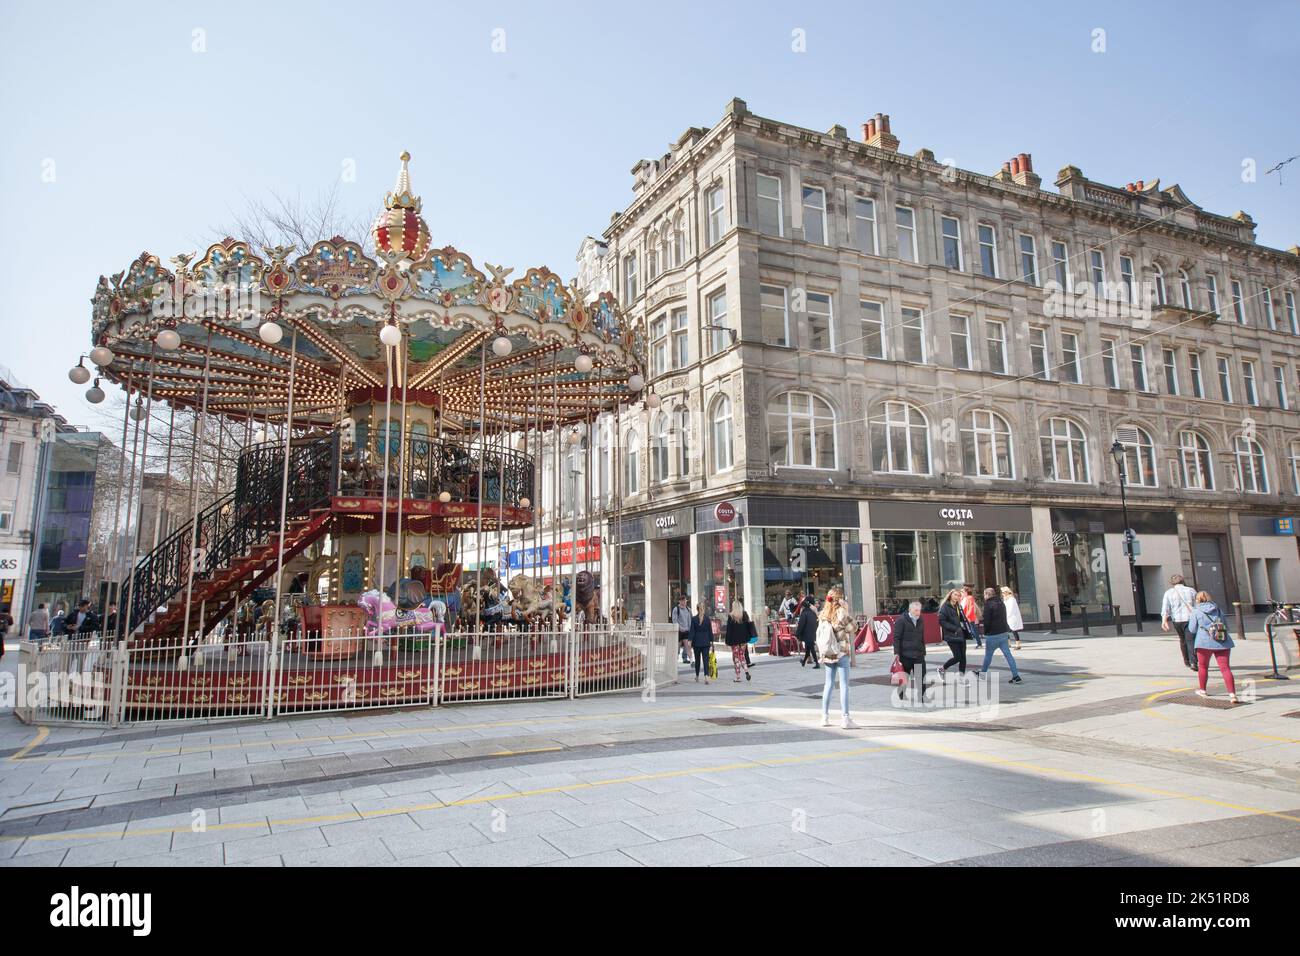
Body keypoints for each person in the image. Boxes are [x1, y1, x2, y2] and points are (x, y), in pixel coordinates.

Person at [816, 587, 859, 728]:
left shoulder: (823, 614)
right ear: (839, 599)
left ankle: (825, 717)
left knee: (828, 684)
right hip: (841, 652)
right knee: (844, 685)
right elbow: (853, 627)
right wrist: (846, 609)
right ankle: (845, 719)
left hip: (828, 653)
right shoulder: (841, 612)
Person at [1186, 590, 1237, 703]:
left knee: (1203, 667)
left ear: (1197, 600)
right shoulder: (1218, 609)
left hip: (1203, 642)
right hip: (1222, 641)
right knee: (1225, 668)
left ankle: (1203, 690)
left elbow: (1192, 629)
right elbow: (1226, 626)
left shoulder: (1196, 611)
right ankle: (1232, 694)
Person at [976, 587, 1021, 683]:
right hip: (1003, 633)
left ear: (987, 595)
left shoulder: (989, 604)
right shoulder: (1001, 603)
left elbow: (987, 620)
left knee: (988, 656)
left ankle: (982, 675)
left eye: (985, 595)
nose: (984, 597)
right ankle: (1016, 676)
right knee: (1008, 655)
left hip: (992, 634)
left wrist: (985, 632)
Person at [1160, 573, 1199, 673]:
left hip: (1177, 620)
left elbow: (1165, 608)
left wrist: (1164, 621)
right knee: (1191, 640)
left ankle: (1186, 661)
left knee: (1182, 639)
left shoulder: (1168, 593)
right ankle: (1194, 662)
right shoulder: (1191, 590)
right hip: (1190, 619)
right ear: (1182, 581)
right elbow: (1197, 605)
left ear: (1172, 583)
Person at [891, 600, 928, 700]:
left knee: (921, 676)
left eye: (919, 610)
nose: (918, 613)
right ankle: (901, 693)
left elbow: (921, 637)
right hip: (905, 654)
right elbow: (896, 637)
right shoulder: (901, 620)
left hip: (918, 654)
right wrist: (897, 653)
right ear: (910, 610)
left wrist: (923, 651)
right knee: (905, 677)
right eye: (916, 610)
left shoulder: (920, 620)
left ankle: (922, 695)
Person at [937, 588, 968, 678]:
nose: (957, 597)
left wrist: (966, 626)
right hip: (951, 635)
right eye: (955, 595)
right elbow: (942, 621)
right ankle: (942, 668)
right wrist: (955, 629)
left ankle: (961, 677)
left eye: (959, 595)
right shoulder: (945, 607)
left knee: (963, 658)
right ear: (950, 595)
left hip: (961, 635)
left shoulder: (958, 607)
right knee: (957, 657)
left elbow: (962, 619)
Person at [723, 601, 753, 682]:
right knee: (742, 656)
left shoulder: (731, 616)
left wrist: (727, 640)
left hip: (734, 641)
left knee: (736, 658)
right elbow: (748, 627)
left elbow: (729, 630)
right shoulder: (744, 615)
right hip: (743, 640)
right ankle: (746, 671)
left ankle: (738, 677)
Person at [689, 603, 714, 683]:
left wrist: (690, 640)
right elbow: (710, 631)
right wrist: (712, 642)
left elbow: (692, 631)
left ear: (697, 609)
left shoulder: (694, 619)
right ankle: (706, 676)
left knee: (697, 660)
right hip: (706, 642)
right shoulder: (707, 619)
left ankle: (697, 676)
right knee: (705, 660)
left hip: (697, 642)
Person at [795, 592, 819, 668]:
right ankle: (804, 661)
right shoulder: (813, 612)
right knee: (808, 649)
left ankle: (817, 663)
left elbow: (801, 625)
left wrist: (797, 634)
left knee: (811, 648)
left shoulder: (804, 613)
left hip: (807, 633)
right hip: (812, 632)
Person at [671, 594, 693, 664]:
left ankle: (686, 658)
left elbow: (690, 620)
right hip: (679, 631)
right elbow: (674, 620)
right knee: (677, 646)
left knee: (687, 646)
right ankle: (675, 659)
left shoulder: (688, 609)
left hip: (686, 631)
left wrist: (690, 629)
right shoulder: (676, 609)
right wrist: (679, 628)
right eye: (682, 600)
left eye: (685, 600)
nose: (684, 602)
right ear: (679, 601)